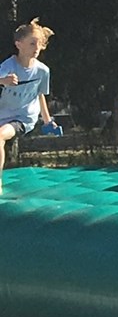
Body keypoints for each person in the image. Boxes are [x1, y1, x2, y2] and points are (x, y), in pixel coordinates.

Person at [0, 19, 55, 192]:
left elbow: (40, 95)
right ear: (19, 44)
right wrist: (3, 81)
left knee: (0, 135)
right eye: (32, 43)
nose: (36, 47)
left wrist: (47, 121)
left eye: (39, 43)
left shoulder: (42, 71)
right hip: (4, 114)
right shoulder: (8, 66)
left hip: (24, 117)